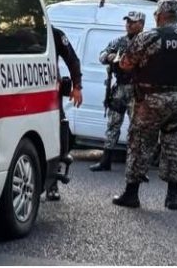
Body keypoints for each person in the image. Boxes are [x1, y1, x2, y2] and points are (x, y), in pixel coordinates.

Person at [111, 0, 177, 210]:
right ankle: (173, 197)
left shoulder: (149, 38)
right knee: (174, 147)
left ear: (159, 15)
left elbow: (125, 64)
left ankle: (131, 194)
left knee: (140, 143)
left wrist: (118, 61)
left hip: (151, 101)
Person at [90, 11, 146, 171]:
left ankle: (135, 165)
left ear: (141, 24)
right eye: (127, 21)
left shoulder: (146, 42)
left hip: (137, 90)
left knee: (137, 128)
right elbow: (102, 55)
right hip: (120, 89)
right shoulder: (119, 41)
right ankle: (105, 161)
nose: (128, 24)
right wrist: (109, 56)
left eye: (133, 22)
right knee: (113, 123)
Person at [46, 26, 83, 201]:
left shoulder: (54, 34)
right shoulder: (18, 30)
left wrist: (77, 87)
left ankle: (53, 183)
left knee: (57, 135)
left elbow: (72, 60)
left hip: (51, 92)